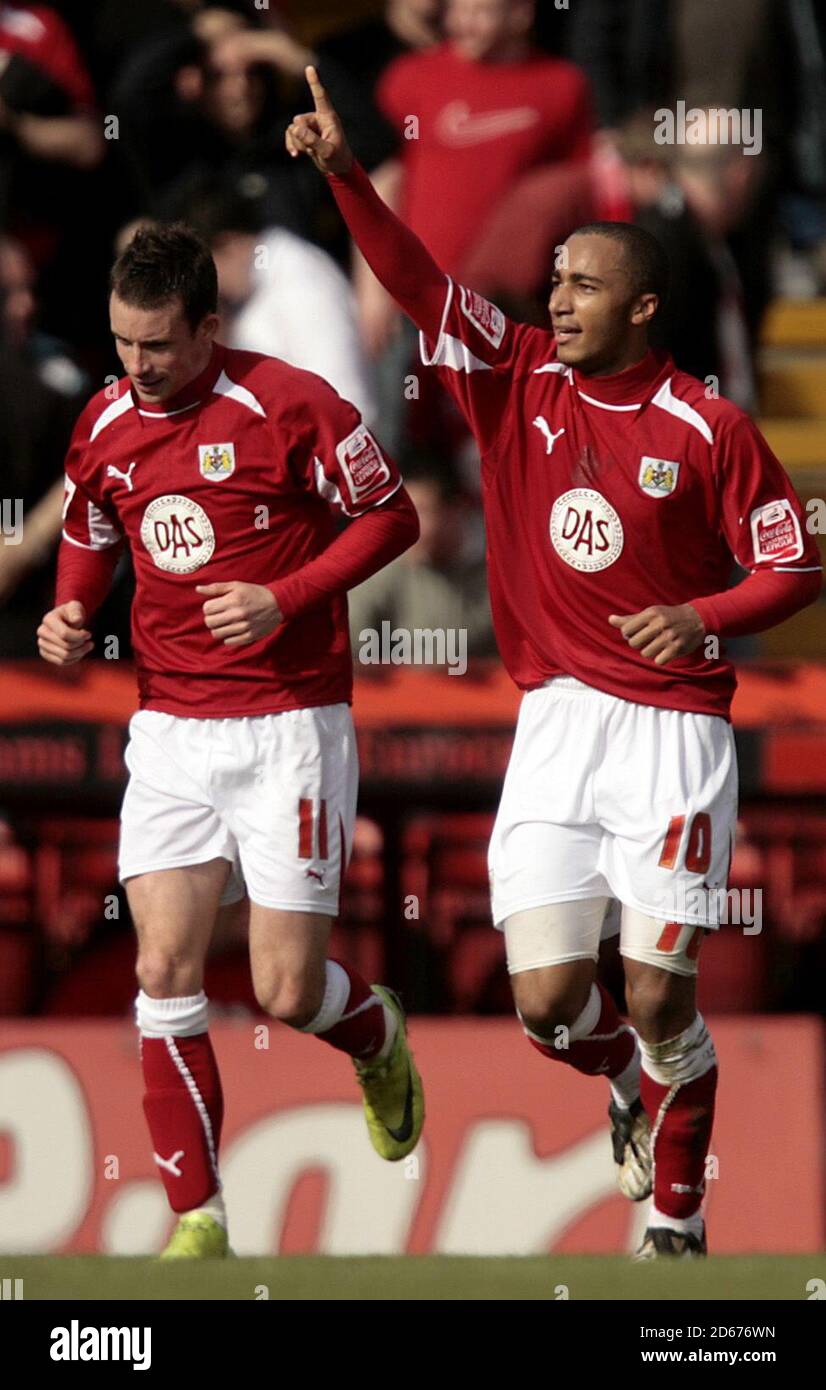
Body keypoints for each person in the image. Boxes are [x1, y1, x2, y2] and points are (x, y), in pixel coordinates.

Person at [286, 69, 823, 1258]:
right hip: (554, 724)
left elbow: (793, 565)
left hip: (672, 730)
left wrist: (705, 612)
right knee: (543, 1007)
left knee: (659, 991)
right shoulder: (515, 373)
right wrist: (344, 176)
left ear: (643, 306)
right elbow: (420, 283)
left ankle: (674, 1222)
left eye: (584, 282)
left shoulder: (707, 429)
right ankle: (631, 1083)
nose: (558, 295)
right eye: (556, 280)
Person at [36, 220, 424, 1259]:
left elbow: (390, 518)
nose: (136, 367)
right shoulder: (108, 418)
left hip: (289, 720)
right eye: (122, 343)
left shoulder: (291, 403)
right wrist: (72, 613)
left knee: (288, 990)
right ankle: (198, 1218)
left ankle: (372, 1032)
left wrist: (281, 597)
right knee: (163, 966)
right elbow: (90, 531)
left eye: (157, 345)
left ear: (209, 327)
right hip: (169, 726)